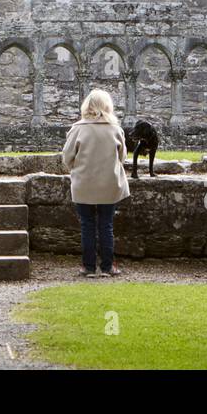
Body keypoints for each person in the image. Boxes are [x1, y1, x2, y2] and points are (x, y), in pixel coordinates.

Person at [61, 88, 131, 277]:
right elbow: (122, 157)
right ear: (107, 106)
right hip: (109, 184)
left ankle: (89, 267)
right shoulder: (115, 129)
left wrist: (77, 168)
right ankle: (107, 267)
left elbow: (67, 157)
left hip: (84, 184)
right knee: (106, 224)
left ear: (87, 106)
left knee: (87, 224)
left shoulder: (78, 129)